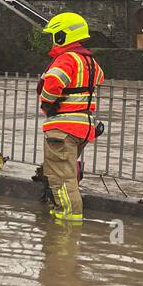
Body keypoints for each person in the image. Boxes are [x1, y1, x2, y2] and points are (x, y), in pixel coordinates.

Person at [38, 11, 105, 223]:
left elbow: (53, 82)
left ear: (62, 35)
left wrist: (46, 103)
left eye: (54, 34)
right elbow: (100, 78)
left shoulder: (66, 59)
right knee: (66, 173)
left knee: (62, 179)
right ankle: (62, 215)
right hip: (84, 127)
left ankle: (67, 224)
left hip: (63, 128)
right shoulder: (91, 62)